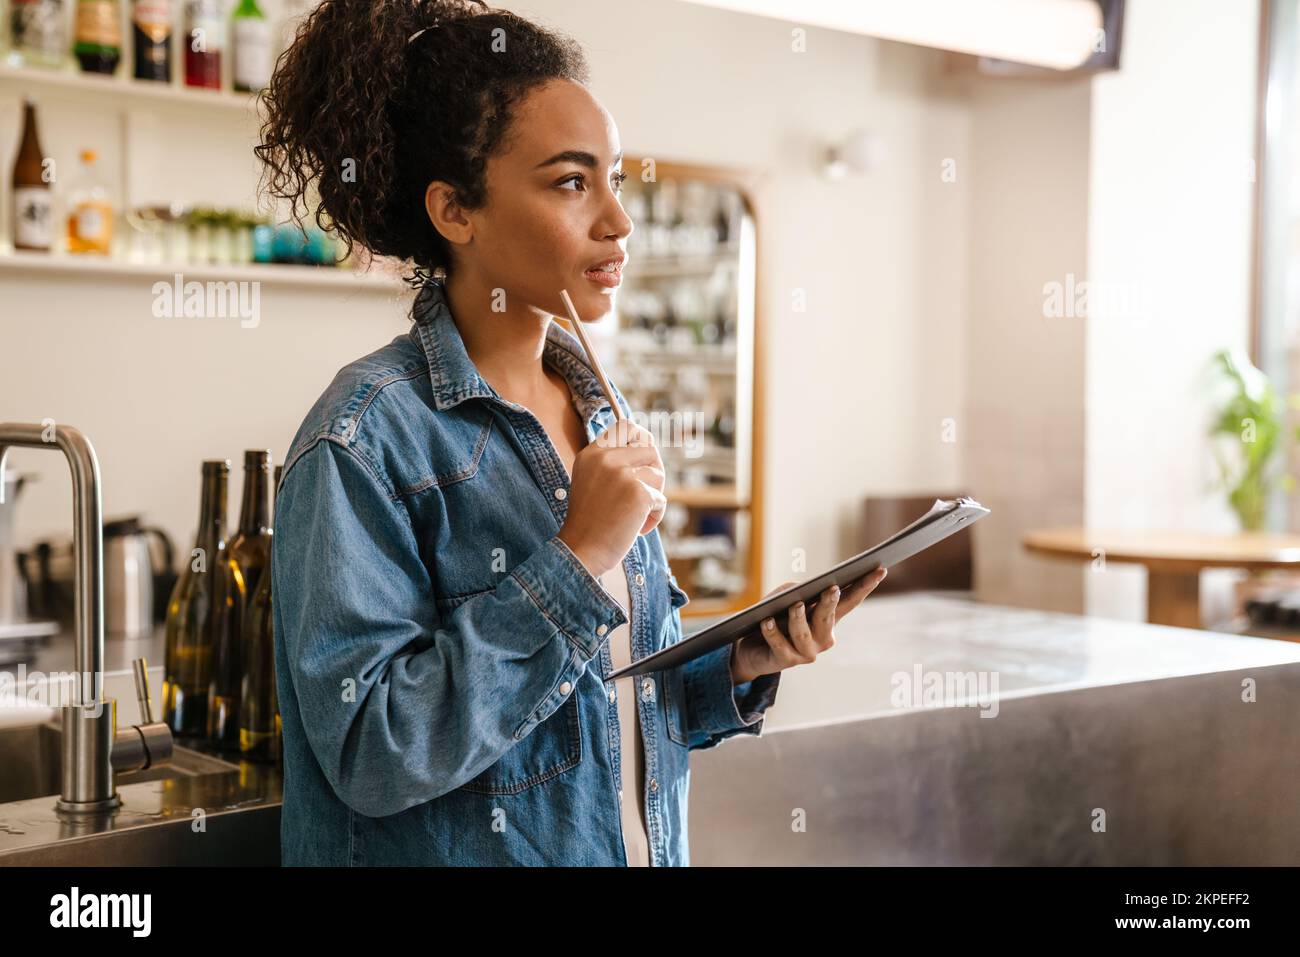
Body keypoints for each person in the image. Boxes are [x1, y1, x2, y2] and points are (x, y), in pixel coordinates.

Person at [256, 0, 887, 866]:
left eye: (616, 179)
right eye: (570, 182)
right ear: (454, 211)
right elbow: (375, 751)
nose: (618, 220)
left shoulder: (599, 410)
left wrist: (736, 663)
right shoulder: (362, 440)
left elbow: (610, 710)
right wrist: (578, 552)